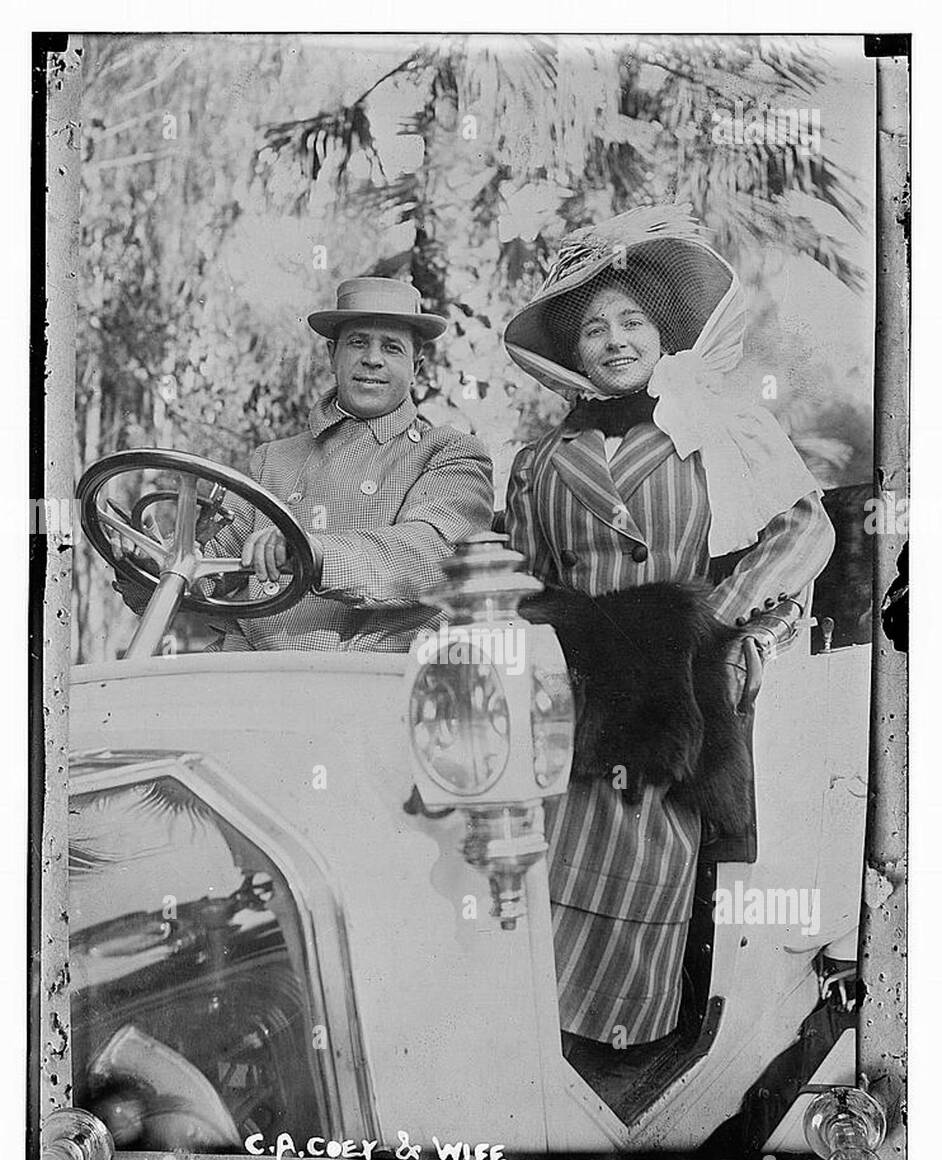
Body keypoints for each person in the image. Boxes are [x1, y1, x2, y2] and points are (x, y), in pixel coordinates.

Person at [502, 204, 836, 1071]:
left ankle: (632, 1057)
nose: (615, 341)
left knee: (655, 853)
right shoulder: (538, 462)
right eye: (595, 329)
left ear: (664, 332)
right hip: (576, 695)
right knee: (555, 858)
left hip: (680, 688)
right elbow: (527, 579)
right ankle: (546, 1055)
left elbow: (806, 532)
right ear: (571, 352)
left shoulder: (714, 427)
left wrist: (715, 617)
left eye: (632, 322)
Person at [115, 277, 493, 652]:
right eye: (357, 342)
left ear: (417, 366)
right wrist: (151, 562)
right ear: (333, 355)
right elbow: (208, 568)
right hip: (250, 675)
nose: (372, 359)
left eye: (392, 348)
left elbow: (431, 555)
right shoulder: (272, 461)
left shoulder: (449, 453)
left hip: (372, 682)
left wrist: (311, 553)